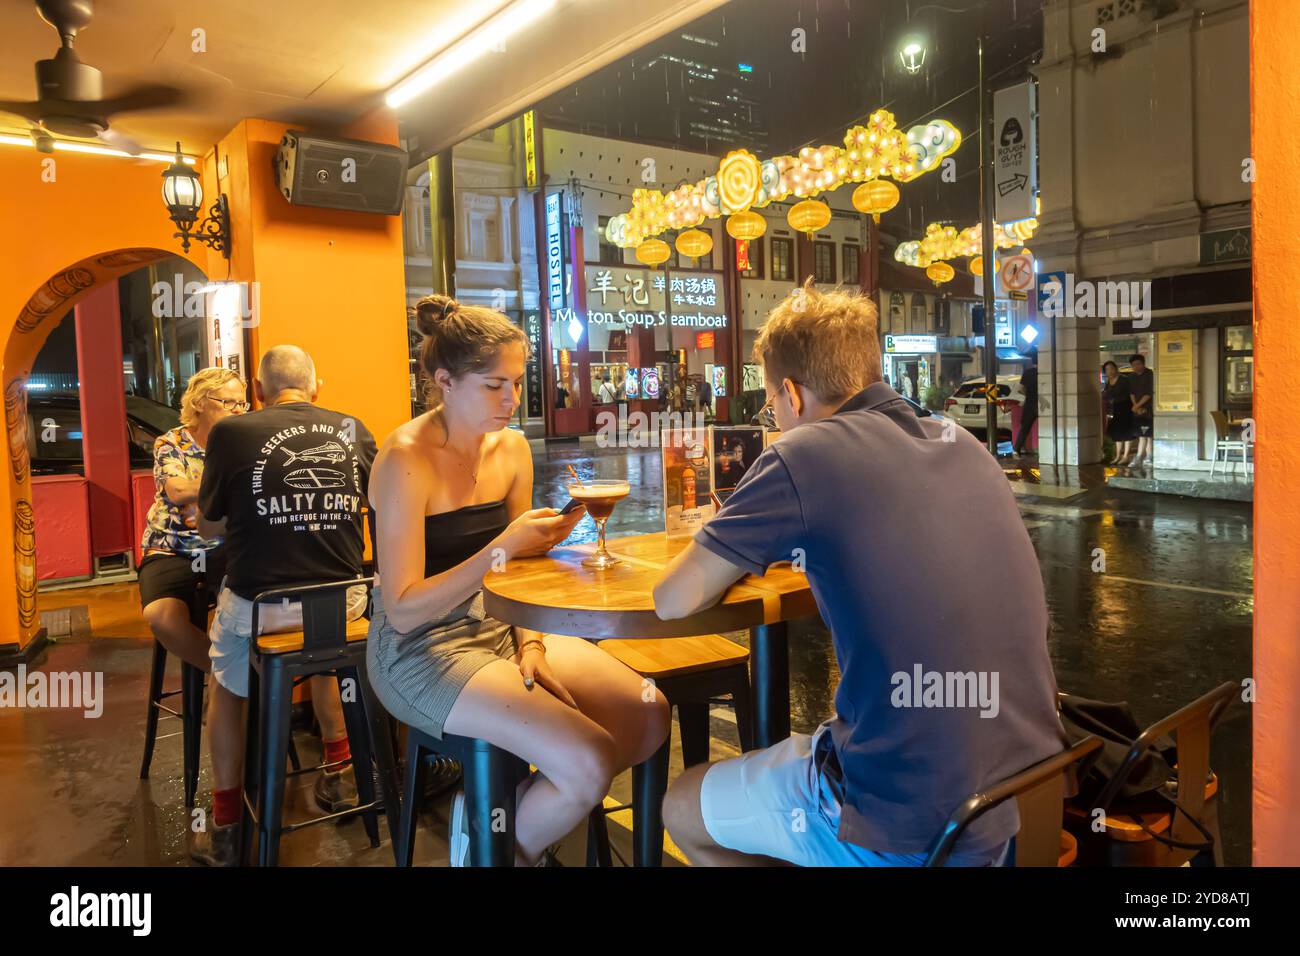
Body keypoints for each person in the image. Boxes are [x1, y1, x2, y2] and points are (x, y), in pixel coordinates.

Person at [652, 279, 1065, 867]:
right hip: (1026, 796)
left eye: (771, 404)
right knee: (816, 747)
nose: (775, 417)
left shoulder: (804, 453)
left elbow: (673, 598)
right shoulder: (962, 442)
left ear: (791, 394)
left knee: (683, 808)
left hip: (911, 820)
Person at [365, 294, 670, 867]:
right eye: (493, 385)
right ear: (445, 381)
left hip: (505, 626)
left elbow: (522, 573)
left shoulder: (510, 449)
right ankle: (495, 850)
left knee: (647, 713)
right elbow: (403, 610)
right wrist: (499, 549)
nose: (512, 400)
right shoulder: (405, 458)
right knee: (588, 760)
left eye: (517, 381)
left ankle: (488, 830)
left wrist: (531, 638)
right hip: (420, 649)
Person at [190, 345, 377, 865]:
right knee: (323, 654)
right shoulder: (353, 428)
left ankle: (226, 825)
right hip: (345, 604)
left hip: (261, 607)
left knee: (223, 684)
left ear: (257, 390)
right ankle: (340, 775)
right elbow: (376, 504)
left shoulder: (230, 433)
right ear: (318, 387)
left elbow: (210, 526)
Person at [139, 368, 248, 671]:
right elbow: (176, 490)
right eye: (229, 403)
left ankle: (238, 690)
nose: (238, 411)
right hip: (171, 547)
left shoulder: (241, 444)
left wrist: (202, 498)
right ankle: (228, 675)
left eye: (242, 404)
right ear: (200, 402)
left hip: (224, 546)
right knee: (161, 617)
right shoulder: (172, 442)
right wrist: (225, 489)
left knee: (255, 607)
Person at [1101, 360, 1134, 464]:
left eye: (1111, 368)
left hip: (1126, 408)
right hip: (1115, 409)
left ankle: (1126, 456)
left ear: (1116, 369)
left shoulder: (1124, 380)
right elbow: (1106, 396)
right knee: (1117, 433)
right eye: (1107, 369)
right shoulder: (1108, 383)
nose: (1109, 371)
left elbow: (1132, 393)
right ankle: (1118, 455)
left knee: (1127, 432)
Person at [1127, 353, 1154, 466]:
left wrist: (1137, 406)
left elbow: (1149, 393)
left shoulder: (1149, 374)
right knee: (1141, 435)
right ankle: (1141, 457)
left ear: (1143, 363)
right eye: (1133, 365)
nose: (1136, 366)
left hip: (1147, 409)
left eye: (1138, 364)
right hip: (1137, 410)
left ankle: (1147, 456)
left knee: (1148, 435)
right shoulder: (1132, 376)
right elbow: (1131, 393)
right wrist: (1135, 406)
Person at [1014, 351, 1039, 457]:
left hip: (1029, 403)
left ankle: (1017, 449)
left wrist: (1028, 394)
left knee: (1025, 428)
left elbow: (1020, 389)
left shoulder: (1027, 373)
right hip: (1043, 404)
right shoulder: (1045, 372)